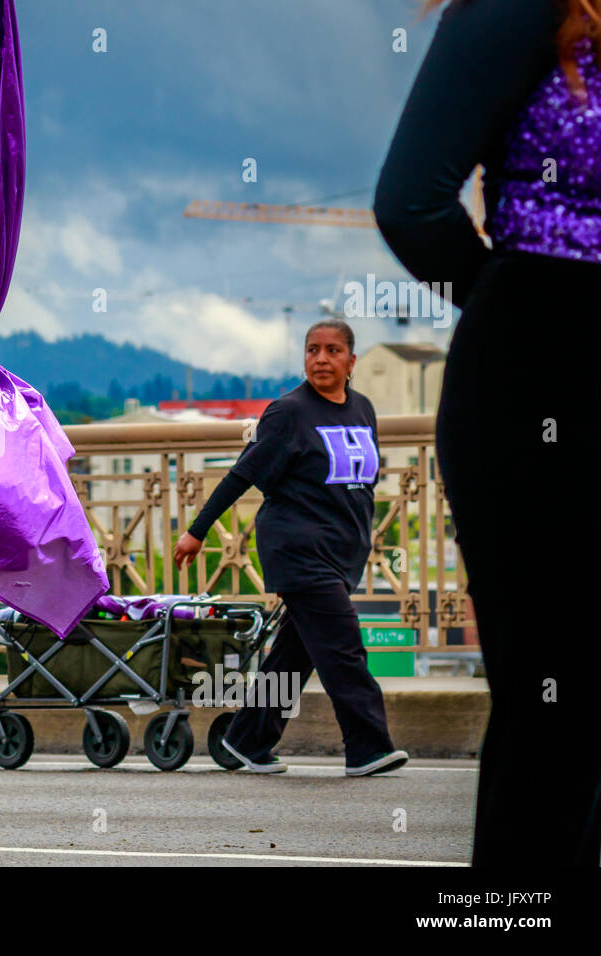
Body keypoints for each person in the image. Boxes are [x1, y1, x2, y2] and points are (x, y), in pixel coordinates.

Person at [374, 0, 600, 865]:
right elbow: (410, 202)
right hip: (540, 370)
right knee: (562, 702)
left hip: (545, 342)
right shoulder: (522, 10)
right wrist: (519, 303)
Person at [173, 321, 409, 778]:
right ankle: (367, 748)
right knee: (343, 650)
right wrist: (197, 531)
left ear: (351, 362)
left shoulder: (362, 409)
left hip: (343, 553)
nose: (321, 359)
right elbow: (242, 473)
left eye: (333, 350)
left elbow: (363, 484)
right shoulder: (288, 412)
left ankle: (246, 741)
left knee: (295, 653)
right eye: (313, 350)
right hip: (297, 550)